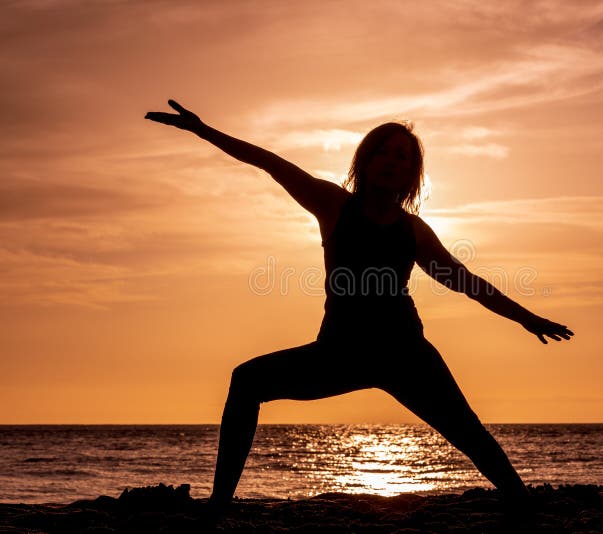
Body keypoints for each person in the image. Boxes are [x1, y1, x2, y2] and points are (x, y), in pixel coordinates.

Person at [145, 100, 574, 507]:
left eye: (402, 156)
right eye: (382, 153)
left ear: (413, 174)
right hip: (338, 354)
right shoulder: (333, 205)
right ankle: (220, 504)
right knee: (246, 382)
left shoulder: (414, 231)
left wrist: (526, 317)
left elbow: (466, 282)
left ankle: (524, 506)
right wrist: (201, 130)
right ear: (365, 162)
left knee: (470, 435)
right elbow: (269, 162)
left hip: (406, 355)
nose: (391, 161)